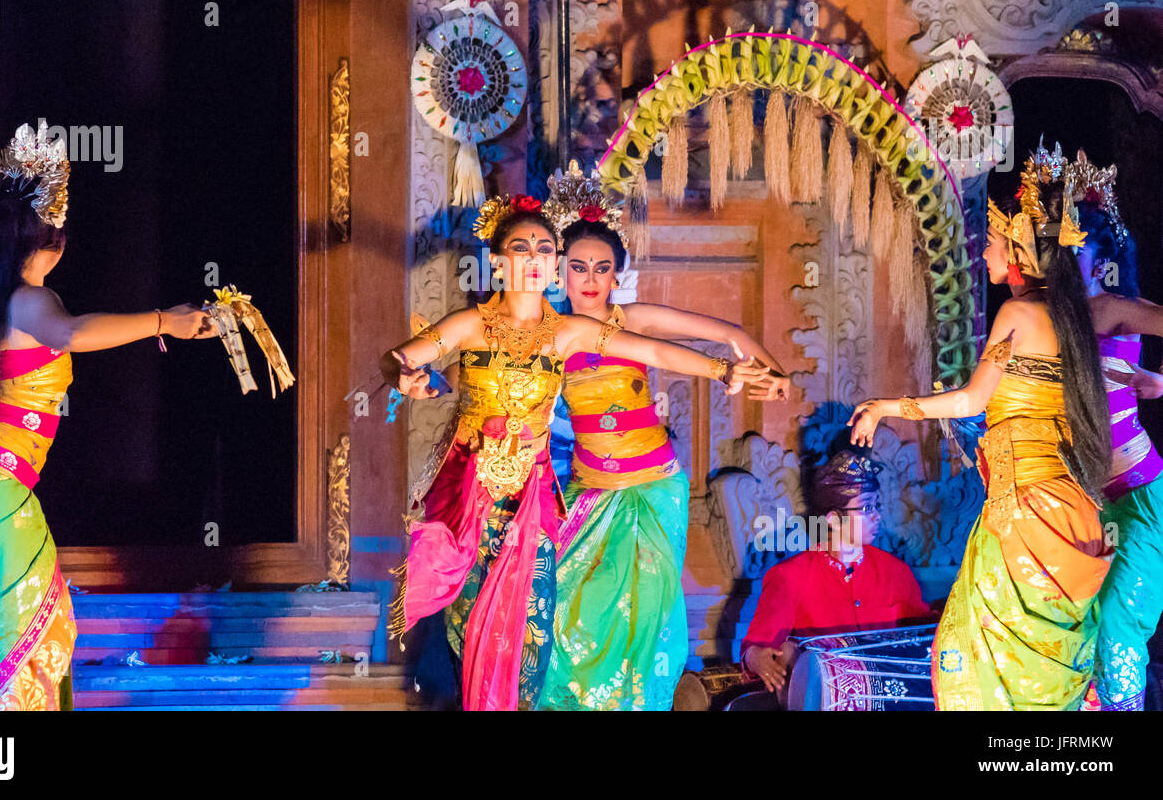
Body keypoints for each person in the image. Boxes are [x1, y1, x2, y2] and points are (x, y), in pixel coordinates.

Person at [383, 192, 750, 711]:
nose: (533, 260)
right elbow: (405, 356)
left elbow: (649, 349)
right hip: (470, 508)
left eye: (543, 250)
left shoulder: (569, 333)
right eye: (521, 248)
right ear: (498, 261)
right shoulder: (470, 325)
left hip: (532, 510)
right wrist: (409, 375)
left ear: (551, 263)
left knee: (534, 642)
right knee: (469, 642)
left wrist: (722, 369)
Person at [0, 119, 213, 711]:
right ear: (56, 242)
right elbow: (70, 333)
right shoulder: (31, 300)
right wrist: (162, 322)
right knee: (30, 636)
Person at [849, 140, 1114, 710]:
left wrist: (883, 406)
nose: (985, 254)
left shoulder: (1018, 313)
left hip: (1023, 511)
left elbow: (972, 401)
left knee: (990, 657)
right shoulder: (1071, 315)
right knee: (1041, 668)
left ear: (1019, 244)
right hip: (1068, 504)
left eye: (992, 241)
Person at [535, 162, 789, 710]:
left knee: (647, 620)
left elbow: (730, 333)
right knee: (569, 615)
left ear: (615, 274)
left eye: (602, 268)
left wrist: (776, 374)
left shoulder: (632, 319)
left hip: (653, 490)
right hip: (593, 494)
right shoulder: (550, 337)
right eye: (577, 267)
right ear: (558, 273)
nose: (590, 279)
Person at [1071, 170, 1163, 711]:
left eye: (1072, 247)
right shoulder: (1051, 319)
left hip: (1140, 494)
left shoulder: (1111, 309)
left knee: (1119, 625)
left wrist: (1162, 383)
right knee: (1085, 619)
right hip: (1093, 502)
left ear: (1095, 252)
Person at [737, 450, 929, 707]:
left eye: (876, 506)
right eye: (866, 508)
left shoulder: (896, 573)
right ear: (834, 519)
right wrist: (754, 656)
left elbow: (922, 640)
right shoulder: (790, 576)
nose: (876, 516)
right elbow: (758, 647)